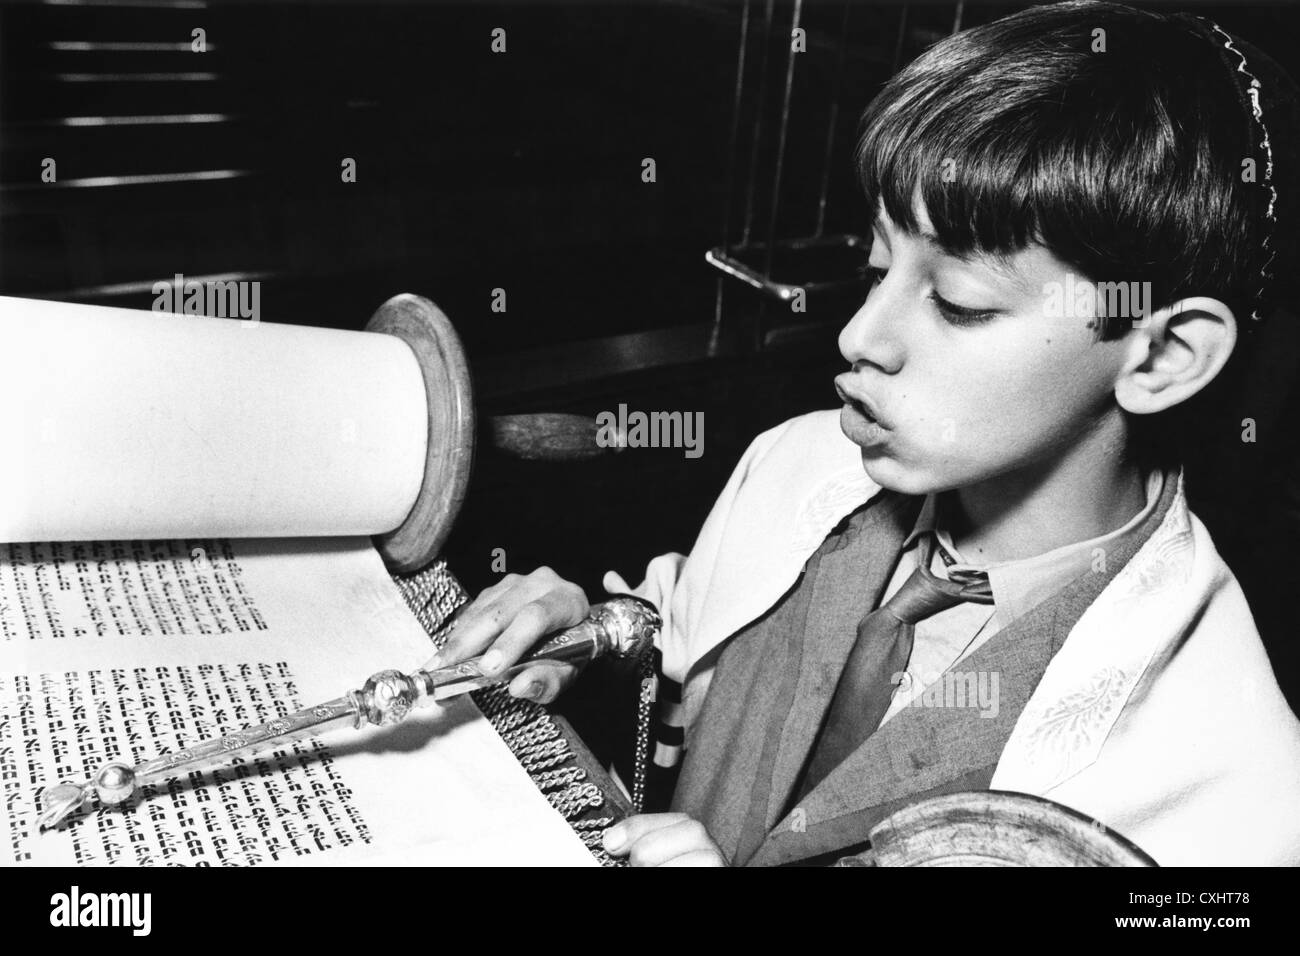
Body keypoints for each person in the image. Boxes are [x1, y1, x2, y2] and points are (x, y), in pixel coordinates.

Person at [426, 0, 1300, 866]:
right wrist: (598, 631)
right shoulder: (802, 457)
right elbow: (700, 632)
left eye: (960, 303)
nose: (860, 338)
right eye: (878, 266)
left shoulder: (1237, 792)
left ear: (1162, 356)